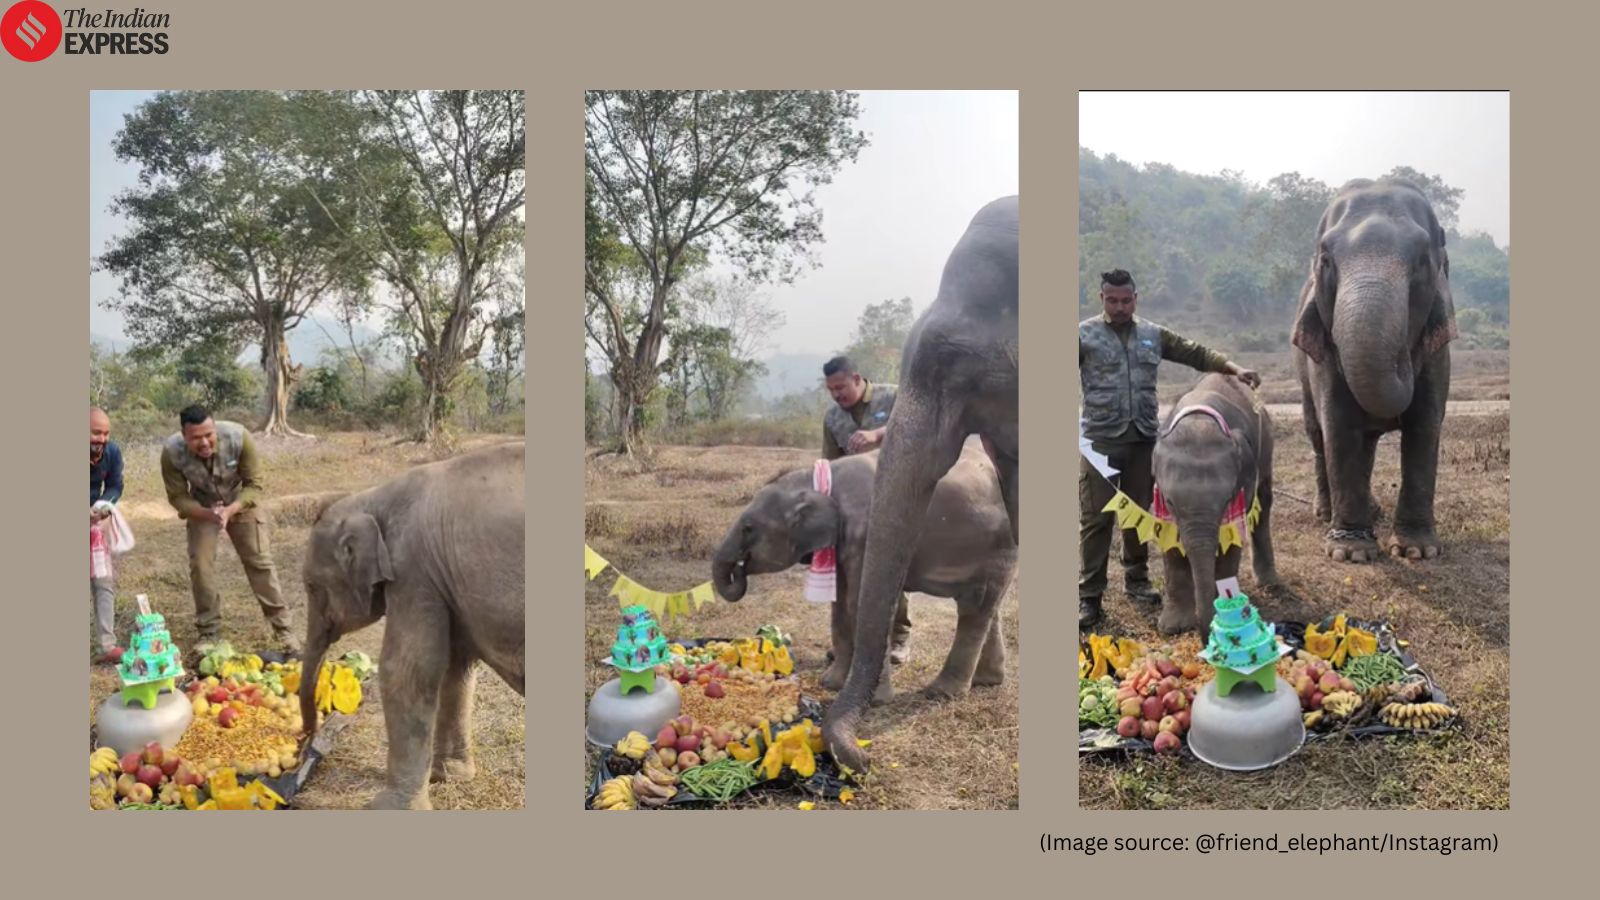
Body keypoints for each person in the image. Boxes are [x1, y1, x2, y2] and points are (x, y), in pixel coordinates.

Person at [1079, 269, 1261, 629]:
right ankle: (1089, 598)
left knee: (1142, 517)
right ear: (1102, 299)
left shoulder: (1152, 334)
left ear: (1136, 298)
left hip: (1145, 439)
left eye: (1126, 300)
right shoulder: (1083, 335)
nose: (1119, 307)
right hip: (1100, 441)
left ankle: (1138, 580)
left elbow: (1194, 353)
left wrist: (1234, 368)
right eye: (1112, 300)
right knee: (1097, 520)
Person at [160, 405, 300, 654]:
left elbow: (254, 484)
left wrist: (231, 509)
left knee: (259, 561)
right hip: (201, 505)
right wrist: (208, 514)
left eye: (209, 435)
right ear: (184, 436)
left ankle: (284, 630)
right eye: (196, 438)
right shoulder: (171, 452)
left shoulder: (239, 437)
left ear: (215, 429)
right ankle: (209, 633)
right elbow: (178, 497)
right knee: (201, 566)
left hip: (241, 501)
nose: (204, 442)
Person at [820, 356, 912, 663]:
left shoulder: (894, 395)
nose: (837, 394)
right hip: (855, 506)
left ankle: (898, 638)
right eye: (831, 389)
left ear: (857, 378)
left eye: (841, 387)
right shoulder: (833, 418)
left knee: (890, 569)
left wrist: (877, 434)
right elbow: (830, 465)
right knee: (851, 572)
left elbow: (916, 425)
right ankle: (851, 641)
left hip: (899, 496)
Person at [90, 408, 125, 663]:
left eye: (105, 433)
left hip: (94, 524)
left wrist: (103, 505)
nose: (102, 438)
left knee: (103, 581)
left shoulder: (111, 452)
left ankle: (107, 645)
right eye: (95, 432)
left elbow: (115, 485)